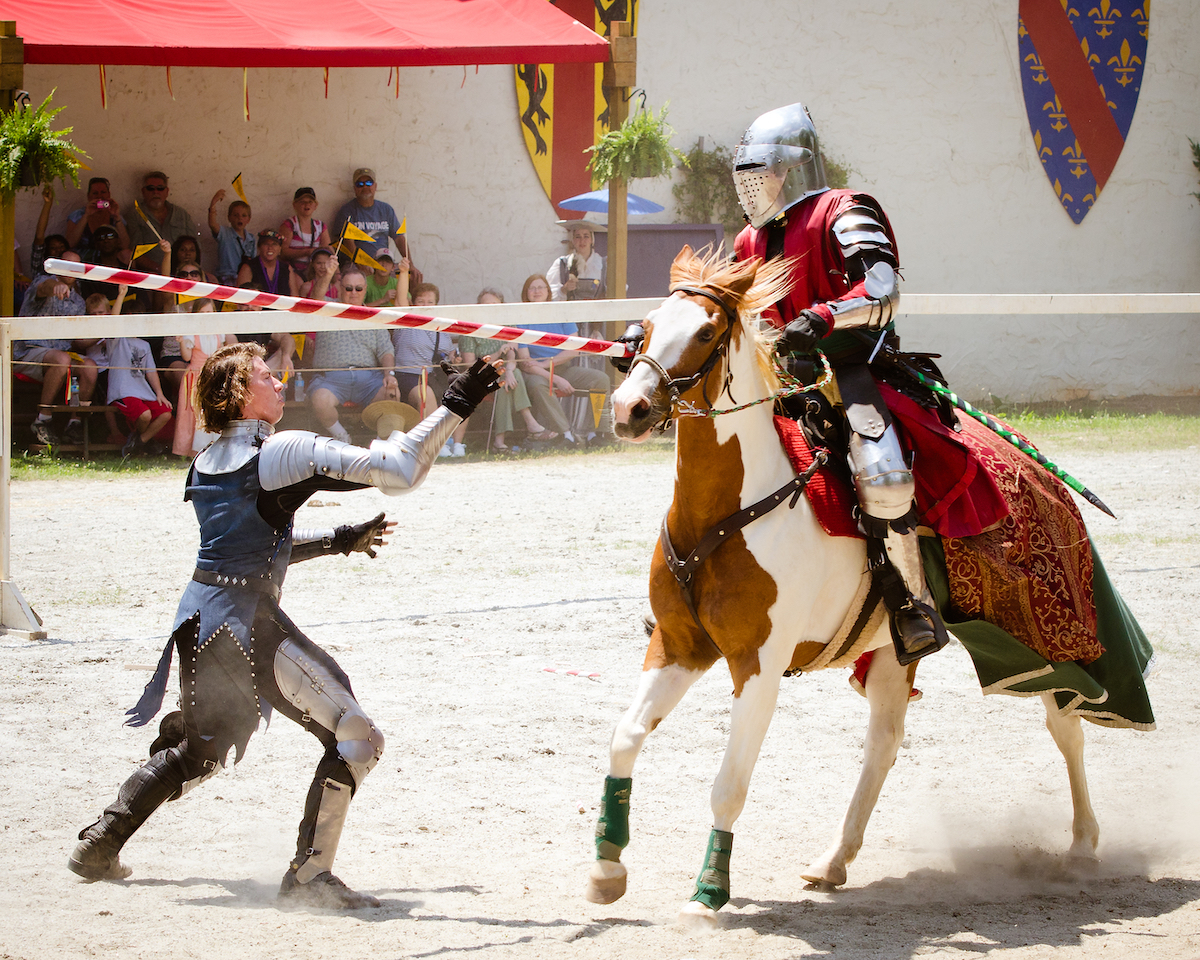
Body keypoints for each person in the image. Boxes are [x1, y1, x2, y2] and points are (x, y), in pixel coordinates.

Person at [68, 341, 501, 909]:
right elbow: (398, 471)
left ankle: (101, 841)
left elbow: (243, 550)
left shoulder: (205, 459)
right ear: (238, 394)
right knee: (357, 736)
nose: (279, 381)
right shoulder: (282, 449)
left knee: (203, 751)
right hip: (247, 622)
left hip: (200, 618)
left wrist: (335, 540)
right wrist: (458, 402)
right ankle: (308, 877)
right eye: (267, 376)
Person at [728, 101, 947, 664]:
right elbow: (728, 306)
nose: (754, 187)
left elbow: (880, 289)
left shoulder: (843, 210)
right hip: (780, 379)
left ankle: (912, 604)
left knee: (883, 472)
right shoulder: (748, 242)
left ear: (793, 169)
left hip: (851, 370)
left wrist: (823, 318)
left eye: (763, 173)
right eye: (747, 176)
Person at [15, 251, 99, 445]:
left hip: (61, 356)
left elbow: (78, 341)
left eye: (76, 267)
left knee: (90, 367)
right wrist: (56, 286)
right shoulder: (42, 281)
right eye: (66, 264)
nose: (71, 270)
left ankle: (75, 423)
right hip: (28, 352)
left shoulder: (78, 301)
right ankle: (42, 420)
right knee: (62, 360)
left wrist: (106, 332)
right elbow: (45, 288)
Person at [307, 267, 399, 442]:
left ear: (365, 290)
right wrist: (327, 273)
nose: (353, 292)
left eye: (359, 288)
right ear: (340, 289)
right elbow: (315, 300)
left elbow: (386, 350)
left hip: (368, 379)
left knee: (392, 393)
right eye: (348, 288)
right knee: (320, 400)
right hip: (331, 379)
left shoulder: (374, 316)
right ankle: (342, 437)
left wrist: (390, 374)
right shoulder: (328, 308)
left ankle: (379, 444)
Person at [518, 273, 612, 445]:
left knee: (600, 379)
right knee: (536, 385)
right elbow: (525, 363)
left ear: (548, 291)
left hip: (562, 368)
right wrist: (554, 378)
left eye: (541, 287)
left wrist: (548, 363)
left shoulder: (560, 312)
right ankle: (566, 435)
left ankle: (595, 433)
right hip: (537, 374)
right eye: (532, 288)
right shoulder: (521, 318)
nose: (536, 291)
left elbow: (574, 348)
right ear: (526, 293)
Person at [458, 289, 551, 452]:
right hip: (480, 376)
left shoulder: (508, 324)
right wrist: (497, 354)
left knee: (508, 378)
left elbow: (511, 352)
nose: (491, 308)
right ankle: (529, 424)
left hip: (503, 373)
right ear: (478, 307)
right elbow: (470, 365)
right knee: (506, 379)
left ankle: (499, 442)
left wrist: (508, 370)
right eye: (486, 305)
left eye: (495, 304)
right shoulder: (470, 330)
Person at [391, 281, 463, 457]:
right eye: (421, 301)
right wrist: (404, 272)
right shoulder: (406, 320)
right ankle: (435, 444)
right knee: (427, 394)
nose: (425, 306)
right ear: (413, 302)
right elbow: (400, 300)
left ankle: (457, 443)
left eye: (430, 302)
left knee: (462, 391)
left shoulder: (440, 327)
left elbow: (449, 351)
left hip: (432, 375)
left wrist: (455, 357)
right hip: (407, 376)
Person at [172, 301, 238, 457]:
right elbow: (187, 356)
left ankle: (216, 446)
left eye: (209, 312)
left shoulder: (218, 333)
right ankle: (194, 450)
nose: (206, 317)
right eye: (202, 313)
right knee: (195, 412)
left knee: (214, 408)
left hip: (214, 374)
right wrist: (182, 342)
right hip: (196, 376)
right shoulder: (192, 334)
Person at [332, 168, 412, 269]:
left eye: (369, 183)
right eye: (360, 184)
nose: (365, 187)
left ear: (375, 186)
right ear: (355, 189)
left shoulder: (386, 209)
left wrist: (410, 265)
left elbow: (399, 238)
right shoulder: (347, 211)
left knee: (411, 276)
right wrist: (363, 266)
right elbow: (348, 243)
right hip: (355, 264)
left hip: (383, 262)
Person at [127, 171, 201, 274]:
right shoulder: (135, 215)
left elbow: (195, 247)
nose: (155, 192)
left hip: (181, 273)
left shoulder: (181, 214)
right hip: (152, 273)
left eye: (160, 188)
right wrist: (160, 270)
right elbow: (135, 252)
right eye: (151, 188)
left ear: (167, 191)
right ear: (143, 191)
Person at [65, 177, 131, 254]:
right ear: (88, 196)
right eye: (95, 193)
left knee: (127, 254)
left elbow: (125, 245)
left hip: (109, 257)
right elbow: (69, 244)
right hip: (83, 257)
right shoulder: (77, 215)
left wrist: (117, 217)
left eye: (103, 192)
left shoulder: (115, 215)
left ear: (109, 195)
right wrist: (86, 215)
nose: (99, 196)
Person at [279, 186, 332, 276]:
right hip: (292, 272)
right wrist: (307, 252)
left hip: (316, 272)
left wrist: (337, 273)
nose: (307, 205)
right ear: (294, 205)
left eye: (310, 202)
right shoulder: (289, 224)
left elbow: (328, 250)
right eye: (302, 202)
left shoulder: (321, 226)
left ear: (315, 205)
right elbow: (282, 252)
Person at [548, 221, 606, 301]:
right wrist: (564, 289)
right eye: (578, 237)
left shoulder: (603, 264)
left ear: (592, 240)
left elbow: (619, 291)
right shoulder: (562, 264)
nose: (582, 241)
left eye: (586, 236)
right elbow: (548, 294)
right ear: (573, 240)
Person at [208, 190, 256, 286]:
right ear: (229, 218)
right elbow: (213, 225)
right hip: (226, 277)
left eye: (244, 215)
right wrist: (213, 203)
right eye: (235, 215)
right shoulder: (224, 233)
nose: (240, 218)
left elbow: (254, 262)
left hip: (245, 278)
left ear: (248, 219)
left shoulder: (251, 239)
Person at [237, 230, 301, 297]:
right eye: (266, 244)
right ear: (259, 247)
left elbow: (294, 297)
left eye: (274, 244)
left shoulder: (287, 268)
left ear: (280, 249)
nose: (270, 248)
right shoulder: (248, 267)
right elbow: (242, 297)